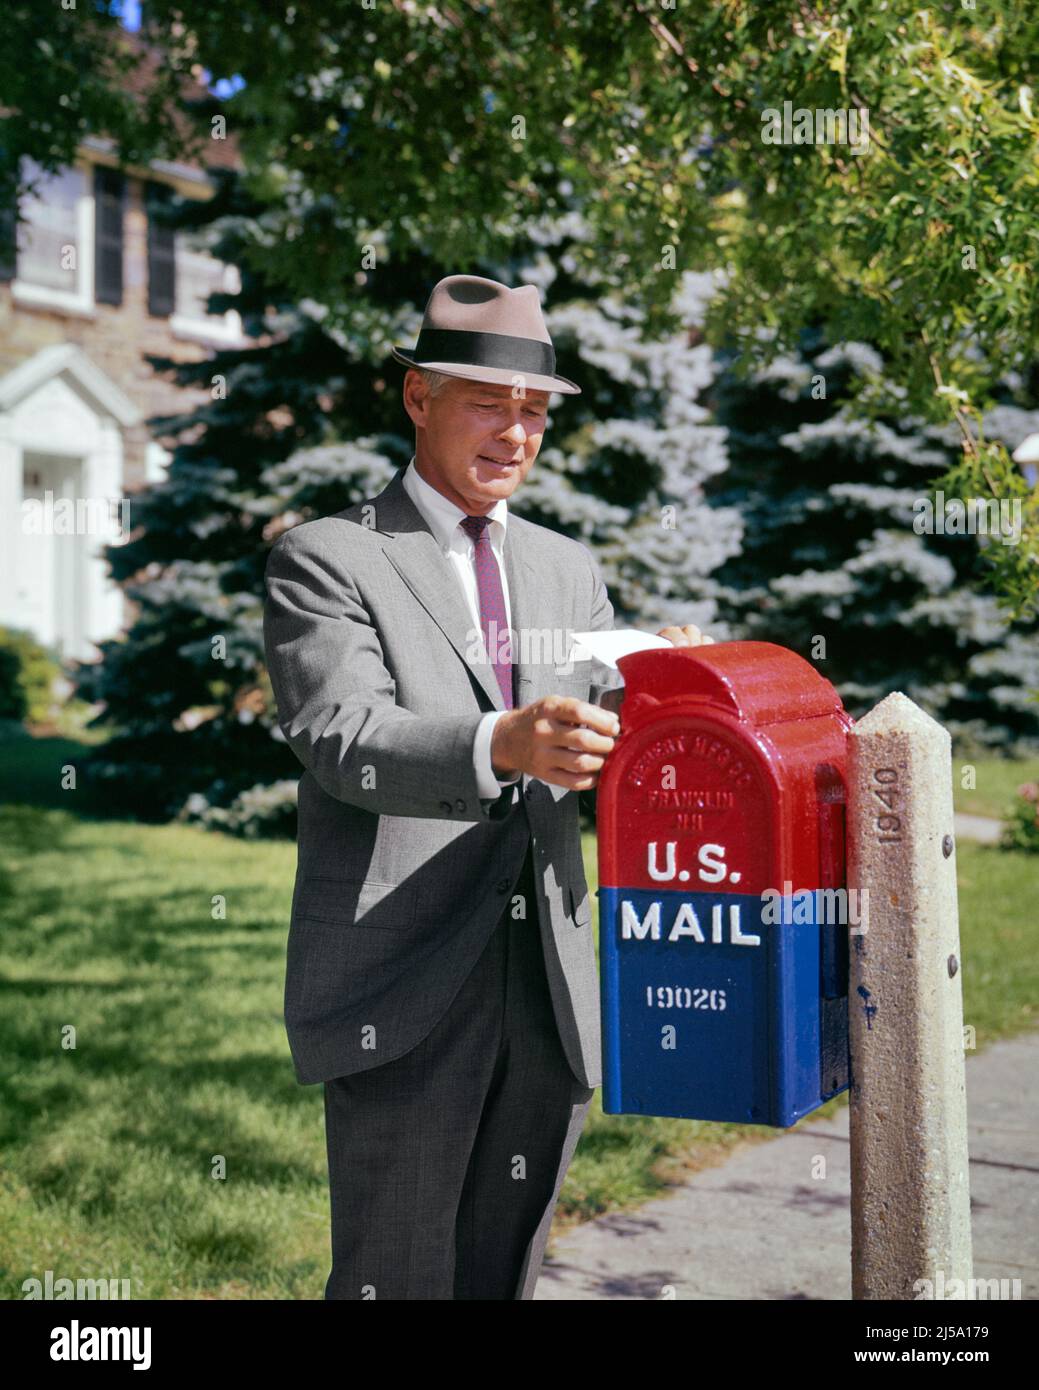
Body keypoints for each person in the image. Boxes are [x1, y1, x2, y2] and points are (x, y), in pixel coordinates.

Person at [263, 273, 712, 1300]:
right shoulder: (327, 559)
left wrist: (671, 683)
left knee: (503, 1269)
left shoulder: (564, 567)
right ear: (417, 397)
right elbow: (342, 735)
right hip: (405, 980)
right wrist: (500, 742)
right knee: (398, 1271)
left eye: (535, 412)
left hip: (547, 978)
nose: (517, 433)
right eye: (488, 403)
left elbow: (603, 719)